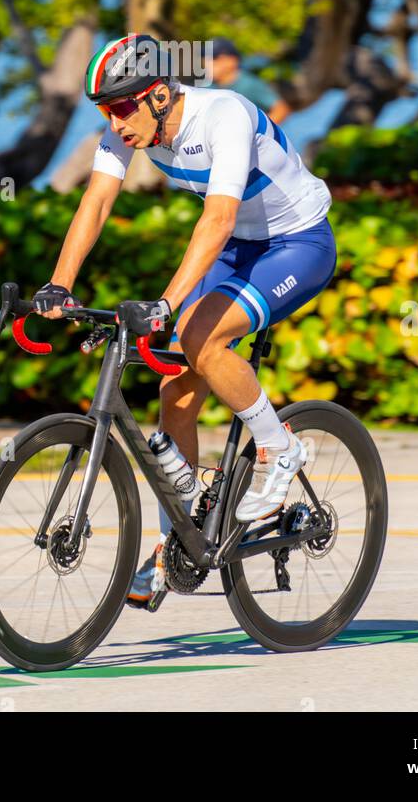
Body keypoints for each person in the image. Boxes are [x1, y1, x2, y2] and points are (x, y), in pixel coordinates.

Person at [32, 33, 336, 608]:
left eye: (121, 108)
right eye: (104, 111)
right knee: (176, 384)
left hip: (296, 243)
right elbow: (95, 202)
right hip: (240, 246)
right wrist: (59, 284)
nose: (115, 123)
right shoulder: (130, 126)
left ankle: (279, 449)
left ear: (159, 95)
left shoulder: (224, 115)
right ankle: (184, 539)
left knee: (199, 337)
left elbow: (217, 220)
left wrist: (167, 303)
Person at [207, 36, 291, 124]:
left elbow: (281, 109)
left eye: (215, 58)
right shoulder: (209, 87)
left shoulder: (248, 84)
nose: (207, 63)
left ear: (232, 61)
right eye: (205, 58)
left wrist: (256, 132)